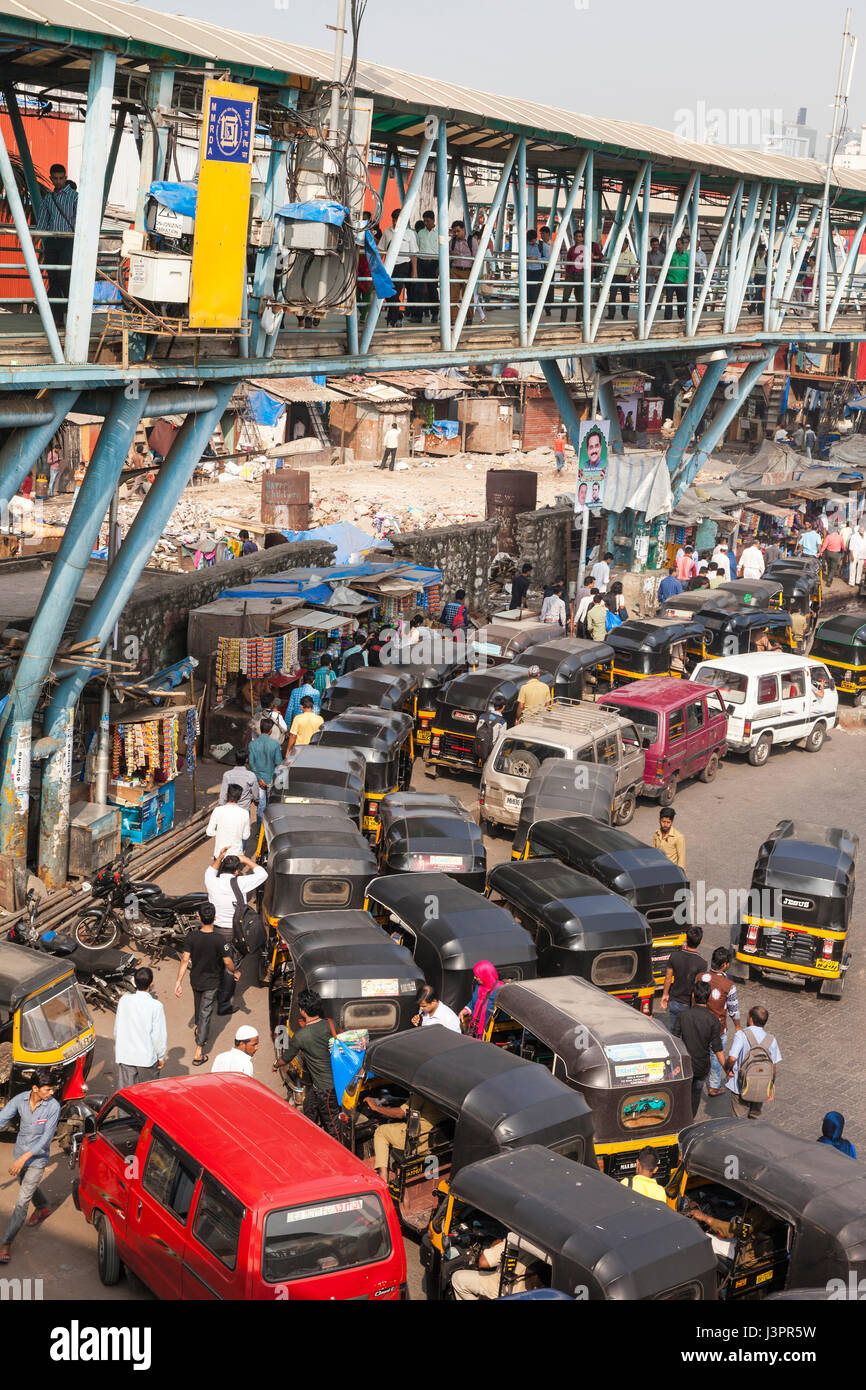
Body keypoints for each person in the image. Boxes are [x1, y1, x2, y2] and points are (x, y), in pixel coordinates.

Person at [0, 1071, 60, 1264]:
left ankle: (6, 1243)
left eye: (53, 1089)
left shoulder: (53, 1107)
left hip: (37, 1160)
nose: (51, 1093)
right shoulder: (20, 1100)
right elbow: (2, 1119)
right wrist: (20, 1159)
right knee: (27, 1184)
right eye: (48, 1089)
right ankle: (43, 1207)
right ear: (35, 1088)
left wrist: (23, 1159)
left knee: (22, 1201)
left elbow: (46, 1140)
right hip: (20, 1156)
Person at [204, 849, 267, 1015]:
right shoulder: (241, 882)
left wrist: (220, 857)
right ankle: (224, 1004)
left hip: (215, 931)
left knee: (217, 962)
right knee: (230, 967)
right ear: (237, 871)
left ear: (221, 867)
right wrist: (246, 859)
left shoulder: (211, 880)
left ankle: (215, 992)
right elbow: (262, 874)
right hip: (233, 934)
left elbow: (211, 869)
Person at [174, 904, 236, 1066]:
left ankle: (198, 1028)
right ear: (214, 918)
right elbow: (228, 961)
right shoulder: (220, 940)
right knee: (205, 1013)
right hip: (212, 982)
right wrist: (234, 972)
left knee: (199, 1006)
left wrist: (178, 981)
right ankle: (199, 1051)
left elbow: (185, 959)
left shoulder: (192, 937)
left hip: (195, 980)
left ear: (199, 918)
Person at [275, 990, 340, 1136]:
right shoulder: (330, 1024)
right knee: (309, 1108)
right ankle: (309, 1136)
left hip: (325, 1088)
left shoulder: (301, 1036)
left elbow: (286, 1058)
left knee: (332, 1124)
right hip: (330, 1082)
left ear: (302, 1011)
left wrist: (276, 1064)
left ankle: (341, 1151)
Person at [671, 978, 726, 1118]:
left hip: (684, 1065)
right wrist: (727, 1068)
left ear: (693, 996)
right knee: (695, 1094)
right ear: (708, 998)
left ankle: (678, 1119)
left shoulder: (683, 1016)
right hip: (702, 1066)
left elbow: (675, 1040)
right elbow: (717, 1048)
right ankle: (690, 1119)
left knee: (681, 1094)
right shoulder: (713, 1020)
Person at [366, 1091, 444, 1181]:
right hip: (438, 1138)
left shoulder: (423, 1091)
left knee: (381, 1131)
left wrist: (376, 1108)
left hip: (420, 1141)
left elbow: (400, 1113)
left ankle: (383, 1177)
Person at [35, 163, 77, 326]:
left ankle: (71, 308)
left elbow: (80, 220)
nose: (59, 182)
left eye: (61, 178)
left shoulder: (75, 197)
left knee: (63, 275)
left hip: (68, 240)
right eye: (56, 179)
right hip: (52, 241)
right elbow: (42, 223)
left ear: (65, 178)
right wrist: (33, 243)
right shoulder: (48, 199)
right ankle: (57, 317)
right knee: (53, 277)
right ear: (51, 179)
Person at [114, 967, 167, 1088]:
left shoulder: (124, 1000)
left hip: (126, 1056)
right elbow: (158, 1035)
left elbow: (117, 1029)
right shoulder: (156, 1006)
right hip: (146, 1059)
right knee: (148, 1094)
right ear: (151, 984)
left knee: (126, 1096)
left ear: (133, 982)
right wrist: (161, 1056)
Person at [725, 1005, 781, 1119]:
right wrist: (770, 1086)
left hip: (740, 1086)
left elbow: (732, 1058)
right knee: (754, 1118)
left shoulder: (741, 1035)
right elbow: (773, 1068)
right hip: (761, 1085)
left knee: (738, 1120)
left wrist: (727, 1069)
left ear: (750, 1019)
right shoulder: (771, 1040)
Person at [698, 946, 741, 1096]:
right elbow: (733, 1010)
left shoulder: (700, 977)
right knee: (717, 1056)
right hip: (718, 1028)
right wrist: (737, 1026)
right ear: (725, 965)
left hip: (699, 1025)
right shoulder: (729, 985)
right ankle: (714, 1086)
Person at [450, 1234, 541, 1299]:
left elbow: (483, 1262)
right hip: (531, 1291)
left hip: (508, 1290)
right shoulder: (544, 1239)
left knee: (458, 1278)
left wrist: (496, 1244)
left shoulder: (516, 1239)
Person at [660, 924, 706, 1027]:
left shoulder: (674, 956)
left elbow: (668, 978)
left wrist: (665, 994)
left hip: (674, 1001)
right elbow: (698, 987)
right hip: (688, 1004)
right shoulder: (702, 963)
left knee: (673, 1031)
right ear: (700, 942)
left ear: (686, 939)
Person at [380, 207, 419, 326]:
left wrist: (414, 272)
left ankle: (392, 320)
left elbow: (413, 254)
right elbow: (381, 250)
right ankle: (398, 316)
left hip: (403, 265)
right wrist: (379, 269)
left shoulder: (409, 234)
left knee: (395, 292)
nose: (395, 223)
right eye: (394, 220)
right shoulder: (387, 232)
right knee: (388, 293)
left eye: (398, 220)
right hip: (388, 266)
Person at [248, 718, 282, 819]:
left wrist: (259, 778)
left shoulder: (252, 744)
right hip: (271, 778)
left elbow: (251, 763)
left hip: (259, 780)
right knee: (270, 805)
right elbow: (279, 763)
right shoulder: (275, 744)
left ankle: (259, 832)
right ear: (270, 730)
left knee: (261, 804)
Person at [206, 782, 250, 857]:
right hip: (236, 855)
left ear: (226, 795)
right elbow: (246, 836)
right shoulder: (245, 813)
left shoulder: (217, 810)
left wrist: (220, 833)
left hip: (219, 854)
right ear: (240, 798)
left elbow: (209, 832)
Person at [459, 960, 502, 1038]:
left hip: (491, 1034)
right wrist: (464, 1011)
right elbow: (473, 1003)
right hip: (475, 1030)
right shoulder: (479, 986)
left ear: (485, 975)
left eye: (477, 976)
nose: (475, 978)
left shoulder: (500, 991)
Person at [448, 220, 477, 325]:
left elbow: (476, 257)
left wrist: (474, 274)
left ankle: (469, 319)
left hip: (468, 271)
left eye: (458, 231)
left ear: (463, 229)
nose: (456, 234)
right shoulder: (452, 242)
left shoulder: (471, 241)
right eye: (454, 232)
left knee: (468, 296)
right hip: (455, 270)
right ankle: (453, 320)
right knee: (453, 296)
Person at [416, 208, 439, 319]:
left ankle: (434, 313)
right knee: (419, 289)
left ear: (433, 220)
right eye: (424, 221)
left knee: (432, 289)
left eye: (428, 221)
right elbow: (417, 248)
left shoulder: (440, 233)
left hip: (434, 263)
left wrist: (439, 266)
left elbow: (442, 251)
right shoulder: (420, 233)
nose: (426, 223)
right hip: (421, 262)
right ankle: (419, 315)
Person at [474, 693, 508, 765]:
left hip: (480, 745)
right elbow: (501, 738)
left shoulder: (483, 716)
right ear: (503, 707)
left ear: (493, 705)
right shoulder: (502, 722)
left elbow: (478, 729)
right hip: (491, 750)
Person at [608, 240, 637, 319]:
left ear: (627, 245)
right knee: (612, 296)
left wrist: (629, 275)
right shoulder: (615, 253)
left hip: (625, 277)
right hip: (614, 276)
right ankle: (611, 315)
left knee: (625, 297)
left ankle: (625, 315)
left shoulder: (630, 254)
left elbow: (633, 265)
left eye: (623, 244)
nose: (621, 246)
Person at [664, 236, 689, 320]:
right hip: (671, 279)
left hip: (682, 281)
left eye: (679, 244)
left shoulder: (687, 256)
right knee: (669, 299)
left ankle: (681, 316)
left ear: (683, 245)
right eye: (676, 244)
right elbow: (666, 266)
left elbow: (690, 268)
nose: (678, 246)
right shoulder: (671, 254)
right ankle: (667, 318)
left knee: (681, 300)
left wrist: (687, 279)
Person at [849, 523, 866, 588]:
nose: (862, 532)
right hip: (855, 554)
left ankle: (858, 581)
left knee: (860, 569)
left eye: (863, 530)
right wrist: (852, 556)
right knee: (852, 568)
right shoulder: (854, 536)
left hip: (862, 555)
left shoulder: (865, 535)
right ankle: (851, 582)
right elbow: (851, 547)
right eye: (861, 530)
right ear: (858, 530)